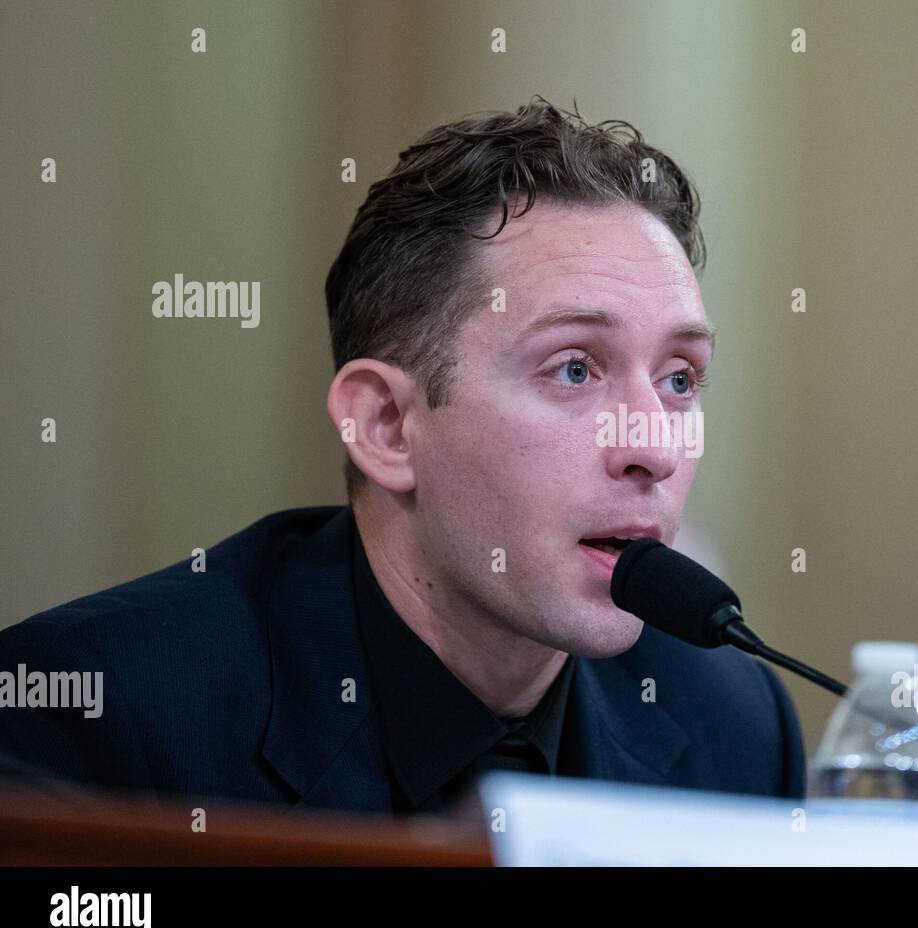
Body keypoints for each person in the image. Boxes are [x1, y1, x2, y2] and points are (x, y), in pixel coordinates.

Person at [0, 97, 806, 816]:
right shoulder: (99, 708)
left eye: (678, 378)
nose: (654, 448)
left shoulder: (730, 726)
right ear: (385, 425)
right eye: (573, 368)